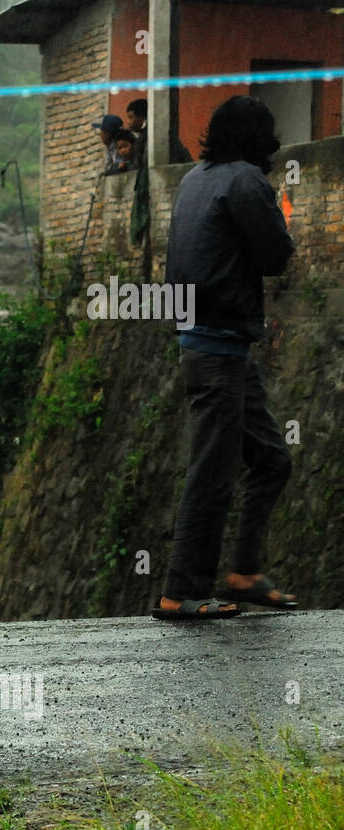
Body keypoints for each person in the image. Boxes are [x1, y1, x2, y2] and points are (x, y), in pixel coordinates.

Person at [153, 95, 297, 620]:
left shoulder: (196, 178)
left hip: (209, 342)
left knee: (271, 459)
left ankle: (243, 573)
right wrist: (284, 216)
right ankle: (180, 591)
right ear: (259, 137)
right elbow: (276, 257)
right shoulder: (247, 181)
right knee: (212, 472)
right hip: (218, 344)